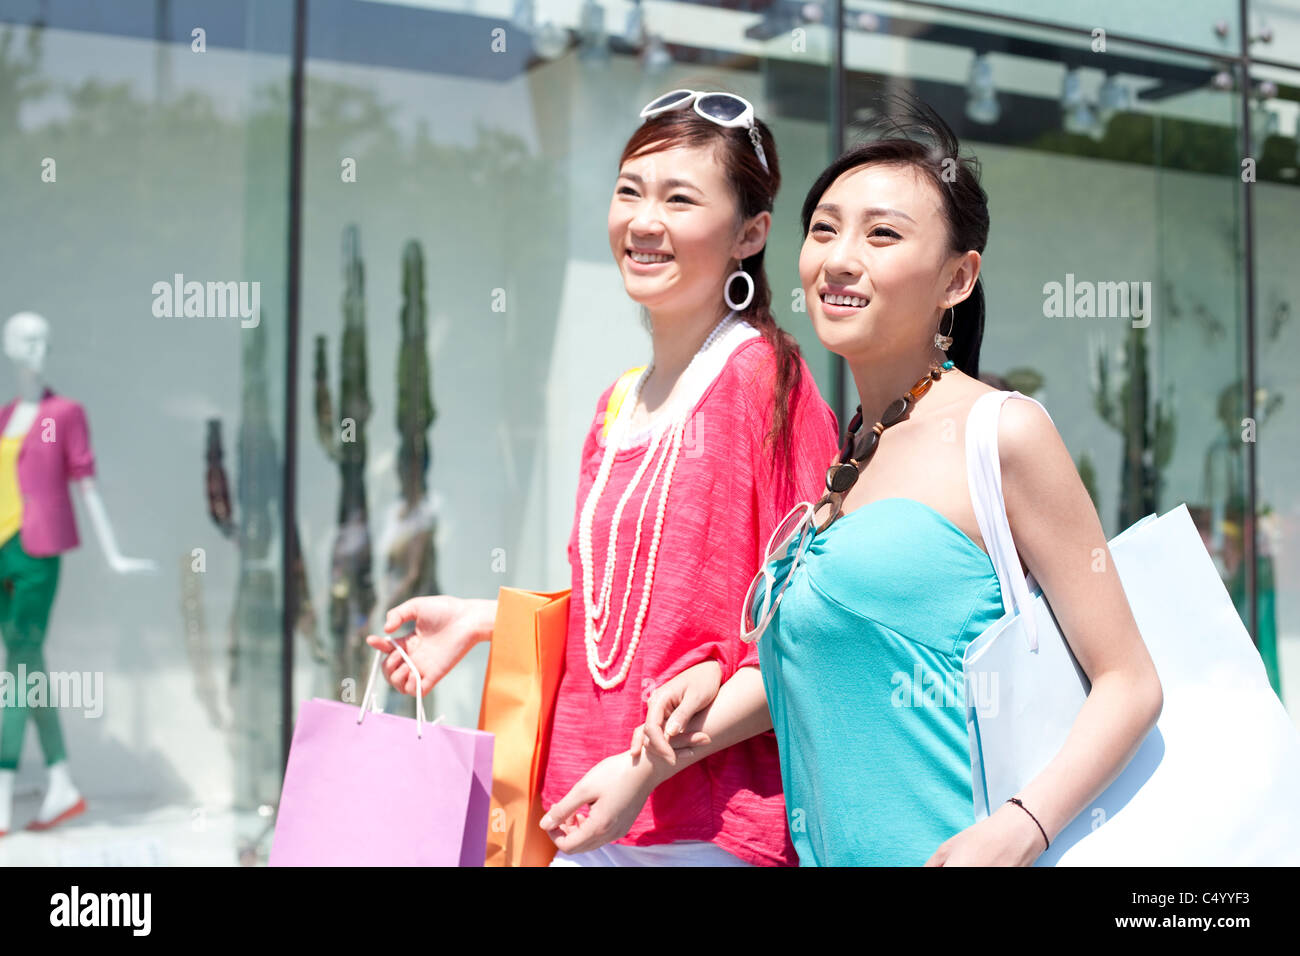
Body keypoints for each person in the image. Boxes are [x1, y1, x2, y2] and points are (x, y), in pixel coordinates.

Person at [626, 98, 1163, 866]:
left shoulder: (1000, 431)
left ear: (957, 277)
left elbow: (1131, 682)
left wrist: (1017, 830)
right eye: (824, 228)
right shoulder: (847, 462)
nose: (840, 257)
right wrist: (676, 734)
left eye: (882, 234)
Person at [367, 89, 840, 866]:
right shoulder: (618, 403)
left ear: (750, 232)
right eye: (630, 191)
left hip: (708, 827)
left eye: (680, 198)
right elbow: (628, 617)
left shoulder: (767, 385)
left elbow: (797, 640)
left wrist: (646, 765)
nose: (644, 221)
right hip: (585, 805)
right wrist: (486, 619)